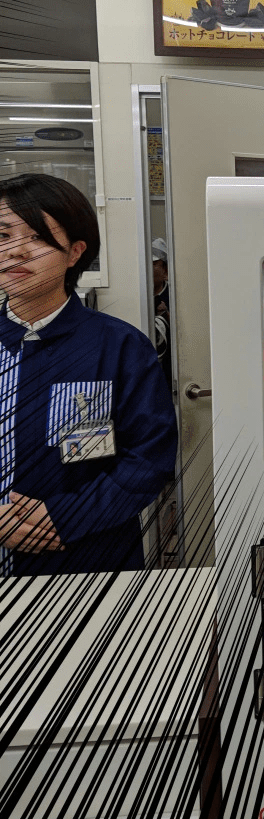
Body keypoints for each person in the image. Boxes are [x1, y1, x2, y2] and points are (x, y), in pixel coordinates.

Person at [0, 173, 178, 575]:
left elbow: (150, 457)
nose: (15, 252)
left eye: (38, 237)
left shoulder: (118, 347)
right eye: (3, 235)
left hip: (87, 558)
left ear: (74, 252)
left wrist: (66, 516)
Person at [151, 237, 172, 389]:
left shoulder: (174, 296)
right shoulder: (136, 297)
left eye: (153, 265)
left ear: (165, 270)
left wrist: (166, 314)